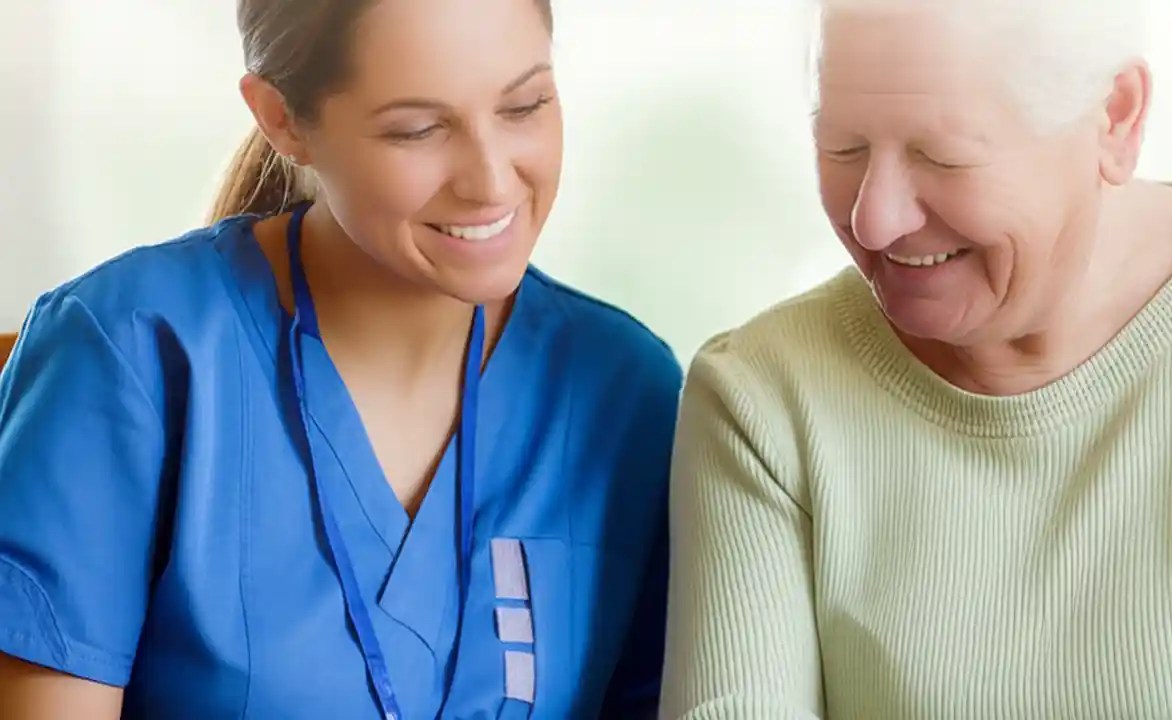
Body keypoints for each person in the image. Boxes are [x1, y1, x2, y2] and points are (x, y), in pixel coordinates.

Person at [0, 0, 681, 717]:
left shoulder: (625, 394)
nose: (490, 180)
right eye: (417, 129)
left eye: (524, 105)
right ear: (282, 119)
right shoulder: (129, 355)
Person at [661, 0, 1172, 717]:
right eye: (842, 147)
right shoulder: (763, 399)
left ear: (1115, 116)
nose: (875, 218)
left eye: (942, 155)